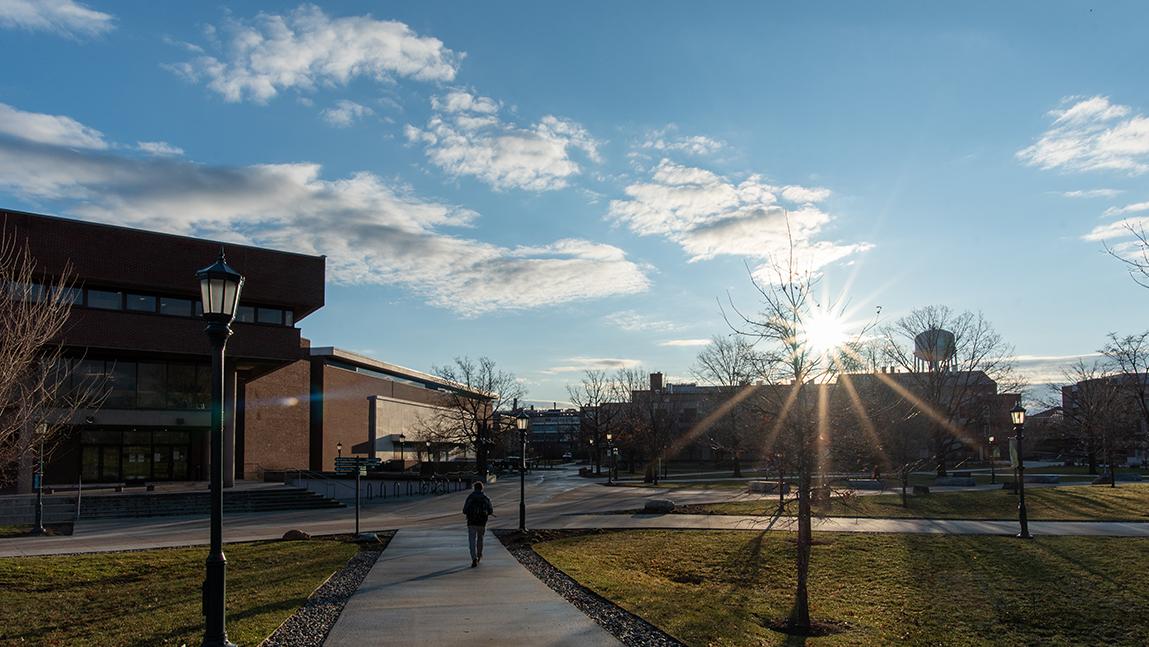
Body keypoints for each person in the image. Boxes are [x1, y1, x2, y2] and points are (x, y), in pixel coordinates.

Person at [462, 481, 494, 567]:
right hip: (482, 522)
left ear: (474, 488)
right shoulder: (485, 498)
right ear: (482, 488)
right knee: (480, 539)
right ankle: (479, 555)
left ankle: (474, 558)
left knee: (472, 540)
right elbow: (491, 510)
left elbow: (464, 510)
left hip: (471, 522)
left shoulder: (470, 497)